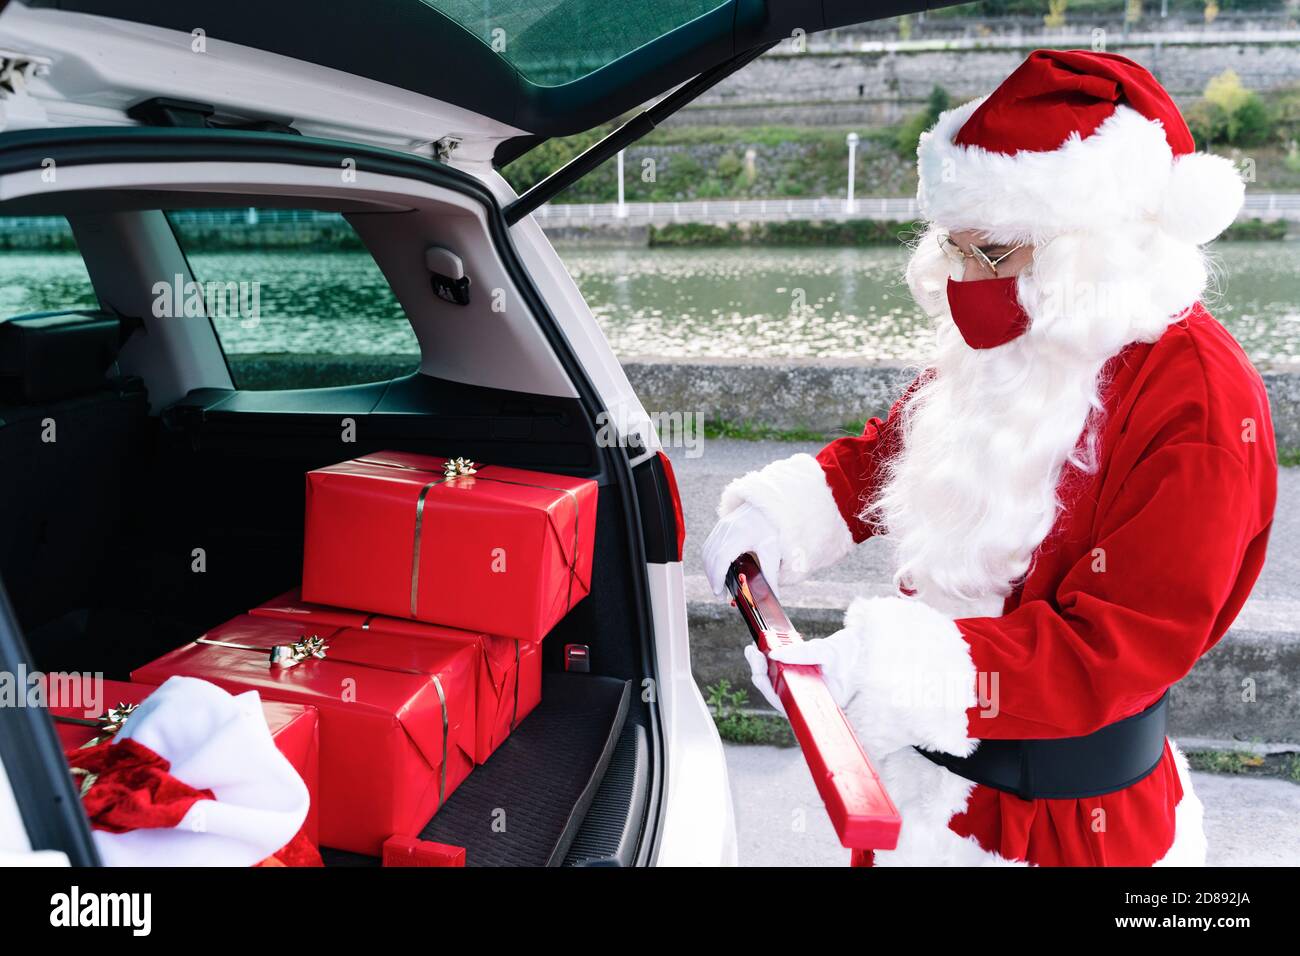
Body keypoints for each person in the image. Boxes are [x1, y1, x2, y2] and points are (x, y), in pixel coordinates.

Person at [702, 49, 1277, 866]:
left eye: (993, 256)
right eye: (956, 249)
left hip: (1067, 829)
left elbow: (1118, 643)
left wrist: (900, 671)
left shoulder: (1199, 399)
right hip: (921, 790)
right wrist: (788, 514)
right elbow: (899, 448)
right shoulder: (1025, 330)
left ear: (1095, 241)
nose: (967, 280)